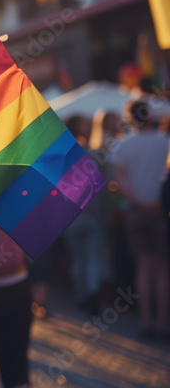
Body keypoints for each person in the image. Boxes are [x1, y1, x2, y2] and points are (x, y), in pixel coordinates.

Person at [111, 100, 170, 339]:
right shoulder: (164, 142)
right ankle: (163, 324)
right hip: (162, 210)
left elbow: (120, 183)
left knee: (143, 268)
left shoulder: (122, 146)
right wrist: (155, 203)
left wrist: (139, 202)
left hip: (136, 211)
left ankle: (146, 321)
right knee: (163, 269)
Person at [63, 115, 111, 315]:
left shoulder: (63, 156)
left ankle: (82, 296)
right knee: (92, 257)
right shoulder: (95, 154)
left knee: (78, 258)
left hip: (71, 216)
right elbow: (106, 186)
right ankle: (92, 294)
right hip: (94, 214)